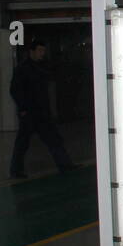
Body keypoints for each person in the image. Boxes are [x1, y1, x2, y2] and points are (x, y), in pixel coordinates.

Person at [9, 40, 76, 179]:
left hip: (41, 112)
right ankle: (15, 171)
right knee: (23, 142)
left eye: (43, 51)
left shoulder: (40, 68)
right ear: (31, 52)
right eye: (39, 51)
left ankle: (65, 164)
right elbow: (15, 89)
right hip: (30, 112)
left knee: (53, 139)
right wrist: (23, 108)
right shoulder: (23, 69)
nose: (42, 53)